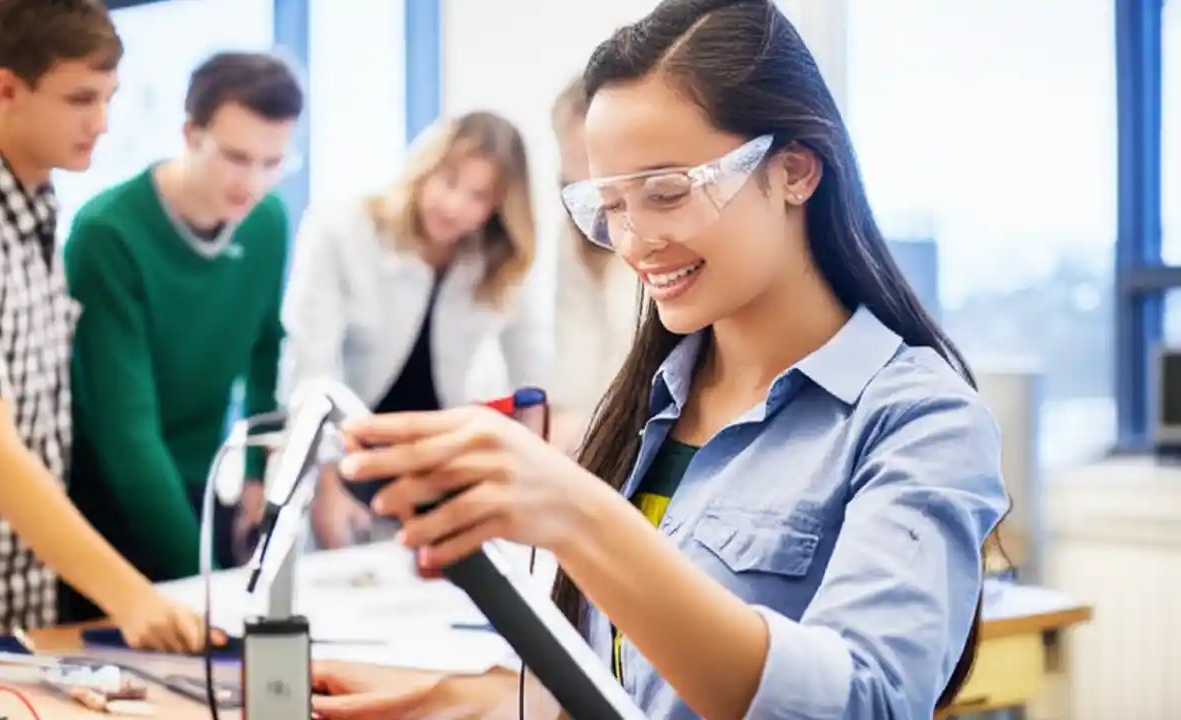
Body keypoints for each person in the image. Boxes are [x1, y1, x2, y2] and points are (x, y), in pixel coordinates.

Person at [311, 1, 1010, 718]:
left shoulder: (921, 422)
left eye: (667, 193)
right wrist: (457, 701)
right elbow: (630, 689)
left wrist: (581, 516)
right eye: (611, 206)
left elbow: (867, 701)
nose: (633, 242)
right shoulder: (651, 405)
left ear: (795, 171)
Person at [0, 0, 205, 652]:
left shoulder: (37, 203)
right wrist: (131, 595)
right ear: (7, 89)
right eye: (79, 99)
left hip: (27, 603)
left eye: (108, 98)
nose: (102, 122)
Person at [64, 52, 303, 603]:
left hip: (200, 483)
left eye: (273, 163)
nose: (253, 182)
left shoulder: (266, 221)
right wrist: (205, 588)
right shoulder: (106, 234)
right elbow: (127, 434)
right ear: (191, 134)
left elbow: (265, 351)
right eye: (236, 158)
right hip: (109, 500)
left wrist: (254, 474)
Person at [282, 110, 548, 548]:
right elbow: (310, 370)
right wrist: (326, 486)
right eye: (448, 181)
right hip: (342, 459)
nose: (454, 206)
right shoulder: (341, 229)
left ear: (499, 206)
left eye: (479, 196)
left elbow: (533, 379)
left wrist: (530, 478)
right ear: (423, 169)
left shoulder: (500, 260)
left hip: (435, 466)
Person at [549, 75, 640, 452]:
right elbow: (577, 349)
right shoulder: (574, 235)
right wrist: (568, 423)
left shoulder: (656, 228)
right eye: (575, 161)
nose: (589, 180)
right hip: (601, 428)